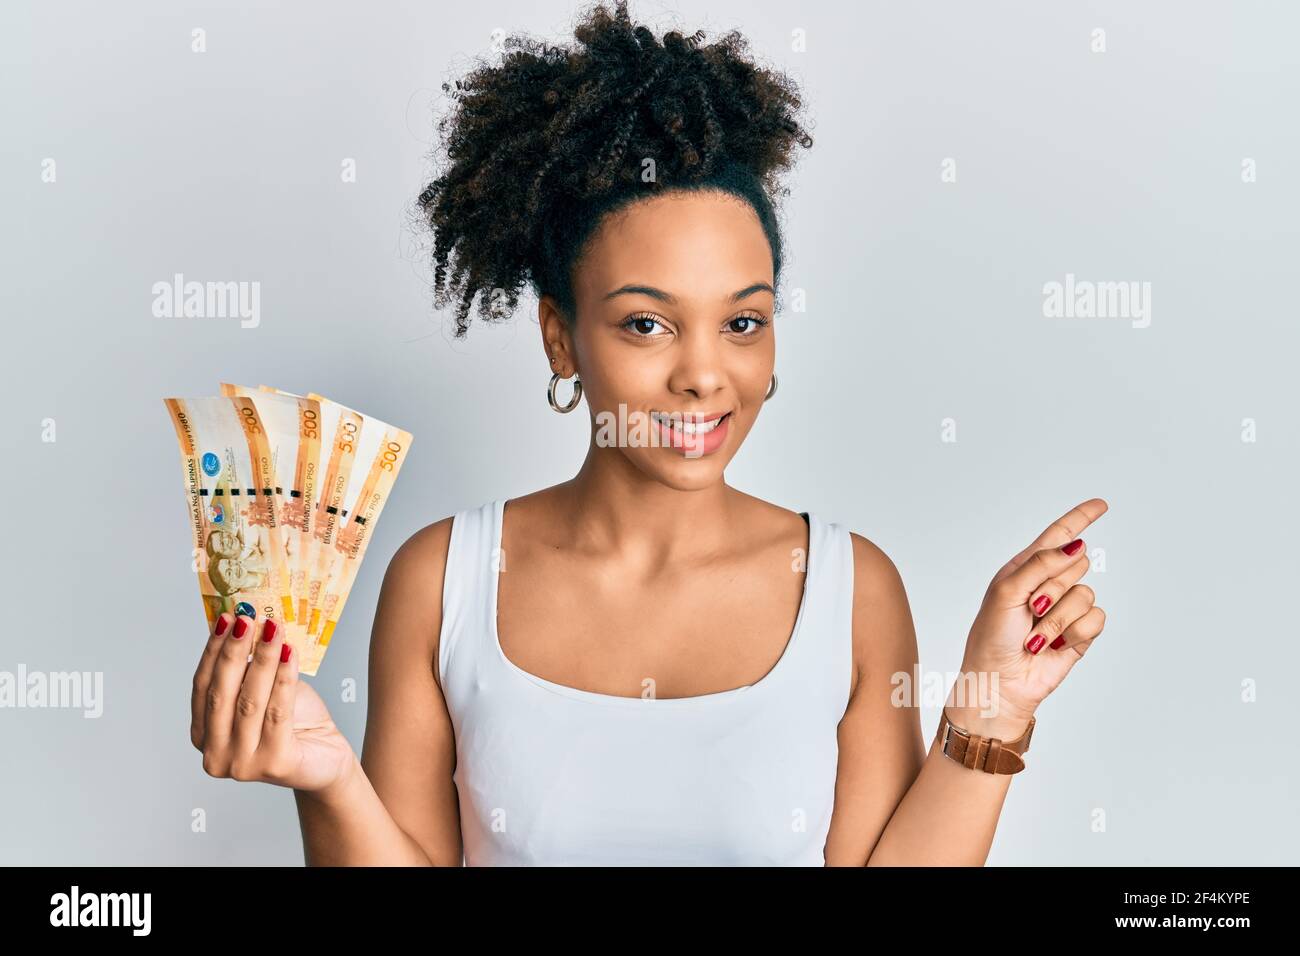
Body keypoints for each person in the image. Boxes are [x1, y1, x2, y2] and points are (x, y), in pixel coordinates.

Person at [189, 0, 1107, 865]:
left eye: (742, 322)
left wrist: (994, 708)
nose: (705, 374)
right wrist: (326, 780)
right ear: (560, 335)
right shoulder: (444, 581)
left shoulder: (851, 590)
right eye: (646, 323)